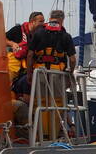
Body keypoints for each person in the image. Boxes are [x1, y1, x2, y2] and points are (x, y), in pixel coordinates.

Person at [26, 10, 77, 139]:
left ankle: (42, 134)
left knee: (41, 103)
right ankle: (53, 135)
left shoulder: (38, 33)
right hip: (56, 72)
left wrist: (29, 73)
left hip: (40, 72)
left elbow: (30, 54)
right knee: (58, 103)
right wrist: (69, 74)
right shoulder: (65, 36)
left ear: (50, 18)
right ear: (62, 20)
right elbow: (72, 59)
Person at [6, 11, 44, 90]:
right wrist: (12, 44)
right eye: (40, 21)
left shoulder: (39, 36)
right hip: (13, 66)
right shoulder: (18, 30)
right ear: (32, 22)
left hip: (28, 68)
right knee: (6, 84)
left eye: (43, 21)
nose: (43, 24)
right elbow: (2, 38)